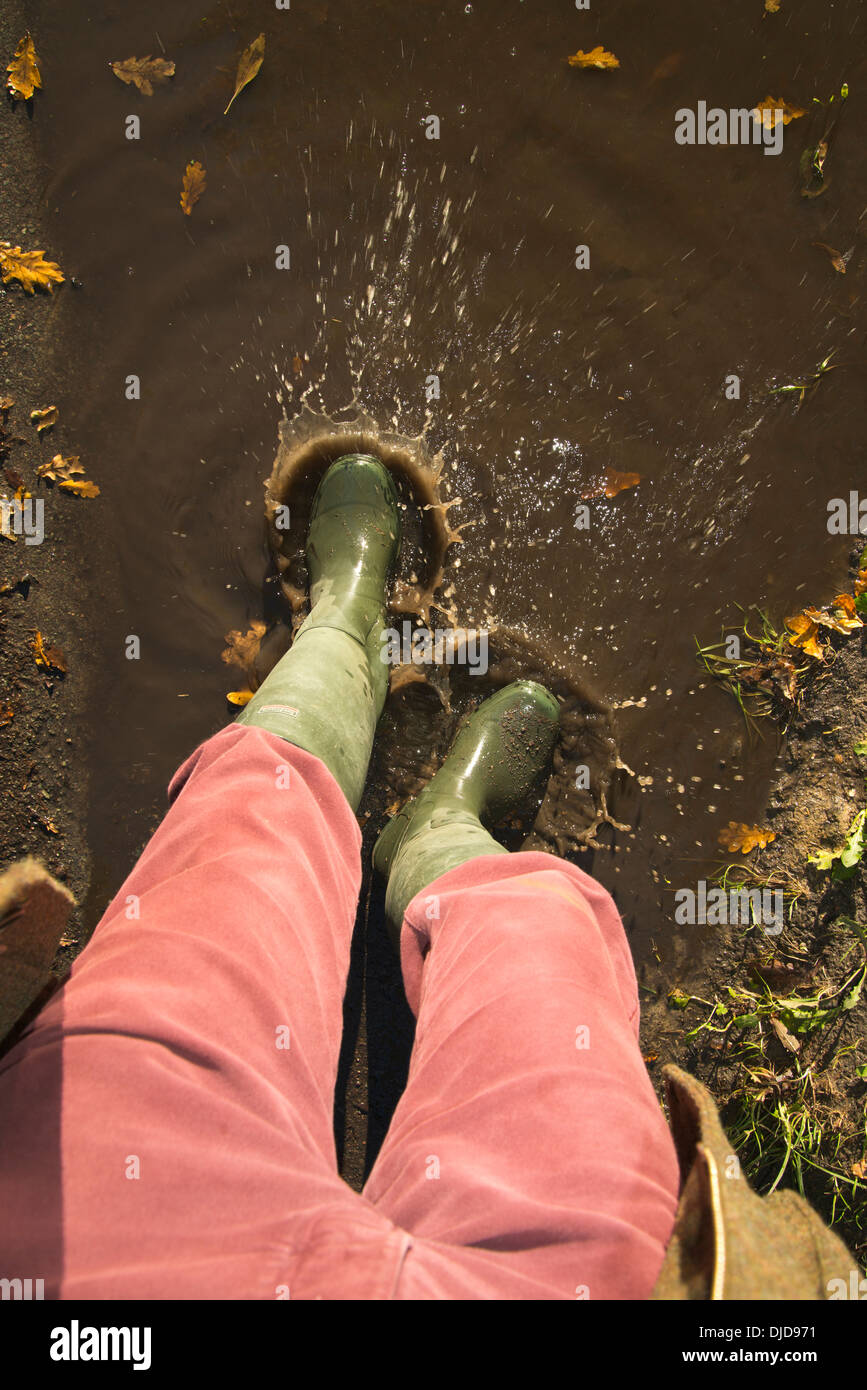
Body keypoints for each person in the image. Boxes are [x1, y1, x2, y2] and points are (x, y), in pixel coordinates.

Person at [0, 456, 854, 1300]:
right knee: (541, 938)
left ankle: (343, 620)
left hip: (107, 1254)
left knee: (245, 830)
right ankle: (438, 835)